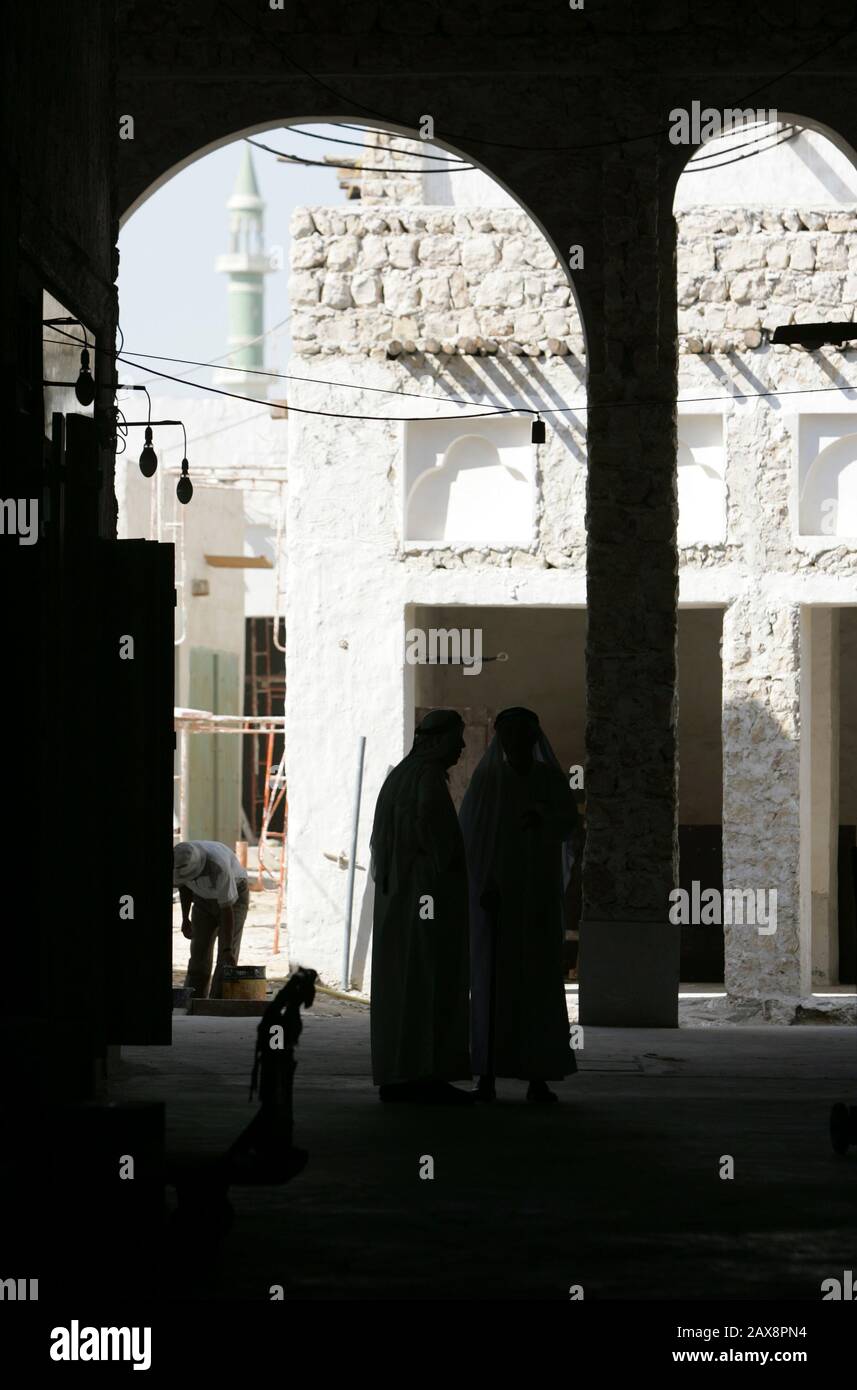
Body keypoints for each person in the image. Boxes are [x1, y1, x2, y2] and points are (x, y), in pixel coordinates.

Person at [459, 707, 580, 1104]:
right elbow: (473, 838)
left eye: (523, 734)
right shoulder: (489, 781)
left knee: (538, 983)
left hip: (538, 896)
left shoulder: (548, 780)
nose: (517, 742)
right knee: (495, 983)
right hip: (498, 897)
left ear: (533, 738)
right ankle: (488, 1075)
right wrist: (485, 883)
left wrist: (542, 815)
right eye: (509, 735)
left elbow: (569, 823)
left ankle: (537, 1076)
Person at [369, 709, 473, 1105]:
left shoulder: (399, 776)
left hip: (400, 904)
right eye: (456, 739)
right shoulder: (425, 779)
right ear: (437, 740)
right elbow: (441, 845)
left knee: (403, 985)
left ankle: (401, 1074)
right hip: (426, 901)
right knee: (428, 983)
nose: (461, 747)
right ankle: (423, 1075)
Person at [173, 840, 250, 999]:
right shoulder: (179, 859)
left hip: (234, 900)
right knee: (198, 951)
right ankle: (194, 1001)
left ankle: (217, 1002)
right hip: (202, 899)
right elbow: (185, 887)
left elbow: (227, 912)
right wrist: (185, 919)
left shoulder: (218, 867)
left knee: (226, 956)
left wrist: (228, 948)